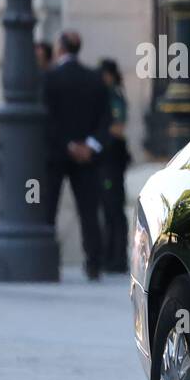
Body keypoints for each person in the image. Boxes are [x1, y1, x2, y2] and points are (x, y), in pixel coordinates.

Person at [43, 30, 109, 280]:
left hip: (58, 155)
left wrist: (68, 145)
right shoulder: (95, 78)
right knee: (90, 212)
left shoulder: (49, 78)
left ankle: (47, 262)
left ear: (60, 49)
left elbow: (47, 121)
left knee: (48, 209)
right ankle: (93, 264)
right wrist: (89, 146)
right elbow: (106, 120)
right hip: (87, 157)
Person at [98, 58, 131, 274]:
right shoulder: (109, 96)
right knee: (110, 208)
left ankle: (116, 257)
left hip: (112, 159)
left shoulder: (113, 97)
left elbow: (117, 128)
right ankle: (110, 256)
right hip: (109, 159)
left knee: (113, 208)